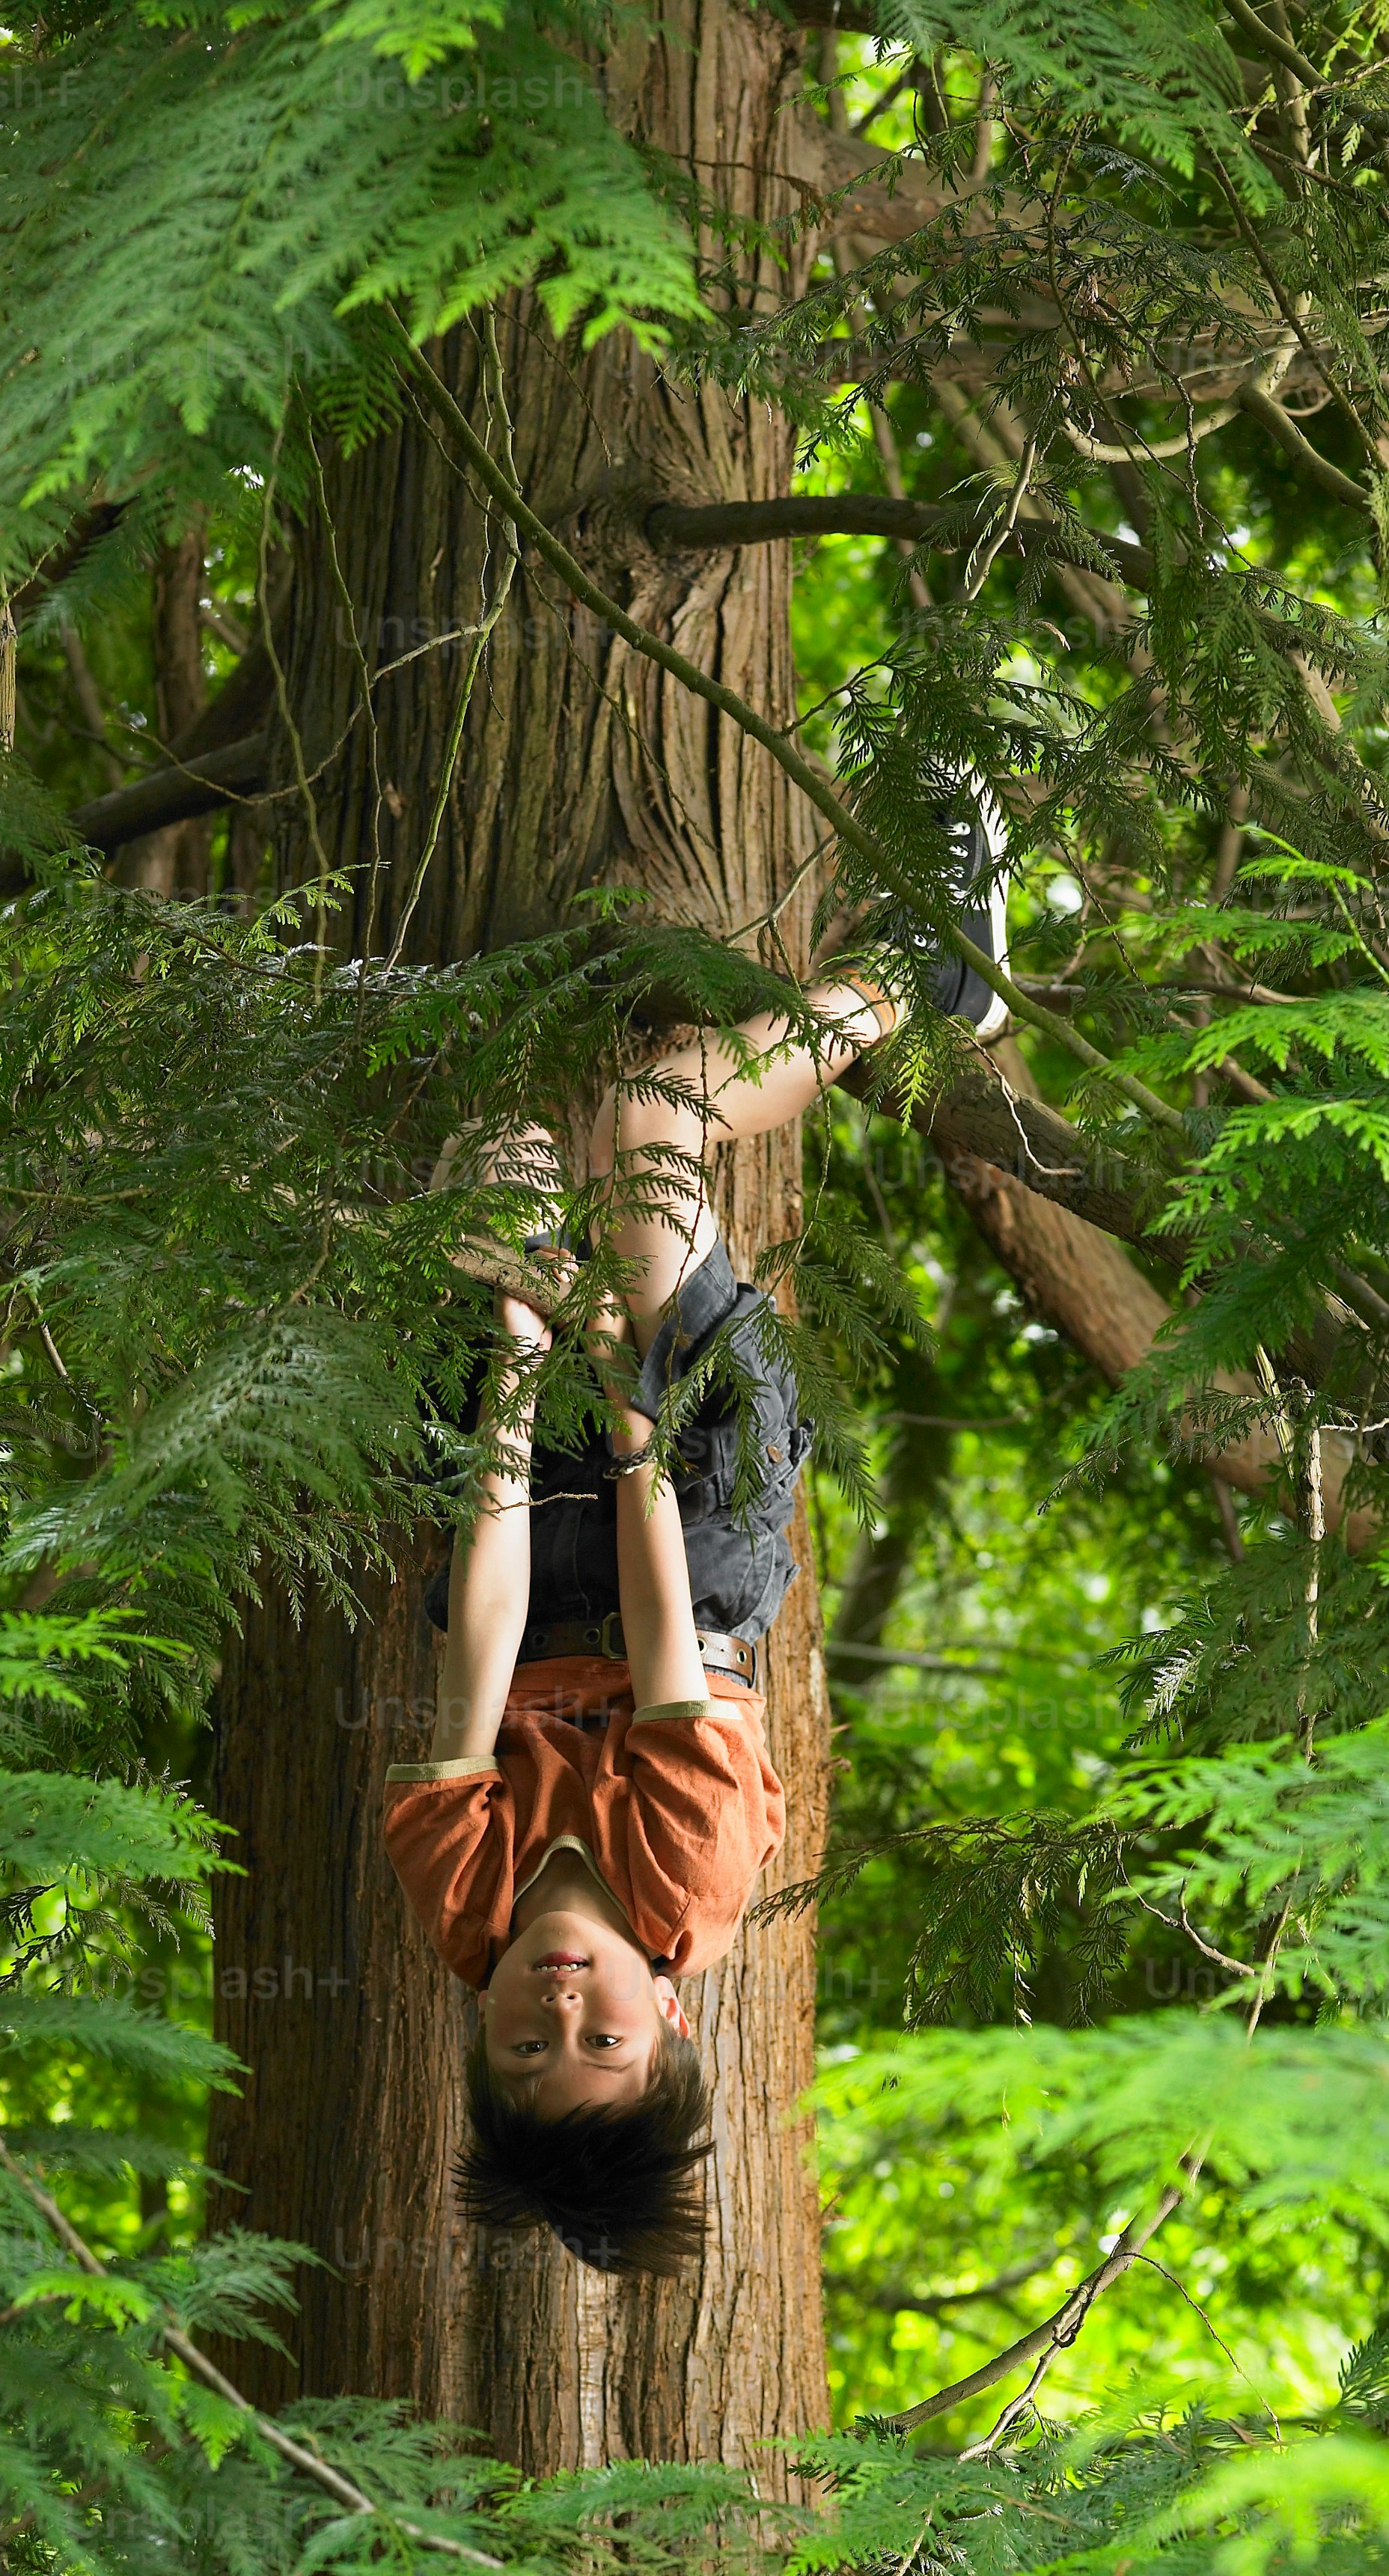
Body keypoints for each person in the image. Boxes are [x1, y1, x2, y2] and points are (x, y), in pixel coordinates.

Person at [380, 832, 1009, 2277]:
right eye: (595, 2037)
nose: (556, 2002)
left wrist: (526, 1371)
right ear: (664, 2014)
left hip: (521, 1556)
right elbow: (666, 1646)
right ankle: (918, 988)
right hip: (697, 1540)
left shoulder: (462, 1906)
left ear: (480, 2037)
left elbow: (483, 1632)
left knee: (512, 1180)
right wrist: (635, 1415)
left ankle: (521, 1190)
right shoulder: (689, 1886)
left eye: (527, 2042)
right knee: (651, 1139)